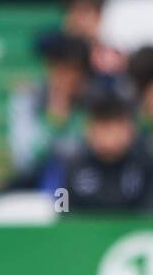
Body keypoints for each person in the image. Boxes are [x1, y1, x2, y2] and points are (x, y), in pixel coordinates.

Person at [12, 91, 153, 213]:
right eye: (103, 124)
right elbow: (64, 215)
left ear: (131, 129)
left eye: (117, 124)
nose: (110, 133)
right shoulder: (71, 167)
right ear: (89, 129)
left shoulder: (150, 167)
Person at [8, 32, 96, 174]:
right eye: (59, 69)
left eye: (73, 71)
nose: (66, 79)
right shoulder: (29, 97)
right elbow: (23, 161)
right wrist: (53, 125)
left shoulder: (96, 99)